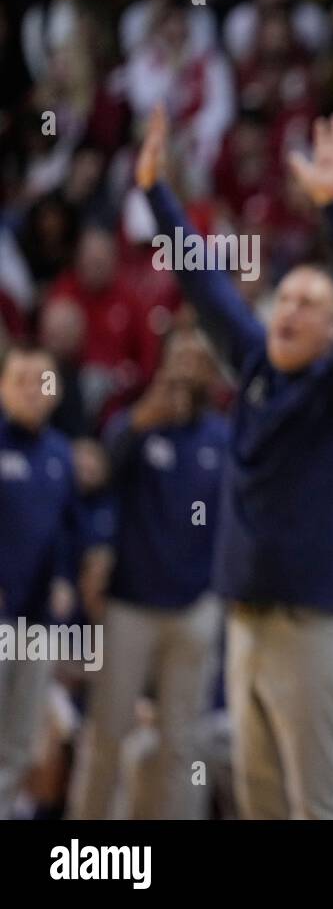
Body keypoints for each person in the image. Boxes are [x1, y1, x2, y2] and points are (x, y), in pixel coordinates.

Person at [135, 106, 333, 819]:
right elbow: (205, 285)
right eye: (288, 297)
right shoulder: (255, 366)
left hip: (315, 628)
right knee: (264, 807)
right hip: (244, 621)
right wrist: (157, 193)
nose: (292, 308)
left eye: (313, 303)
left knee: (324, 810)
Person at [69, 327, 228, 819]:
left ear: (211, 373)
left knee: (183, 744)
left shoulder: (222, 437)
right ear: (160, 366)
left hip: (195, 609)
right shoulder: (131, 424)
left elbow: (233, 522)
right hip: (129, 607)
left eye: (197, 360)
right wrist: (141, 421)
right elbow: (96, 481)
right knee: (106, 735)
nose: (185, 368)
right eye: (177, 357)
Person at [0, 346, 79, 818]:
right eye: (22, 379)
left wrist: (66, 579)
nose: (33, 389)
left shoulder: (59, 454)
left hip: (38, 619)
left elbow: (69, 526)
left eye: (43, 381)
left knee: (20, 735)